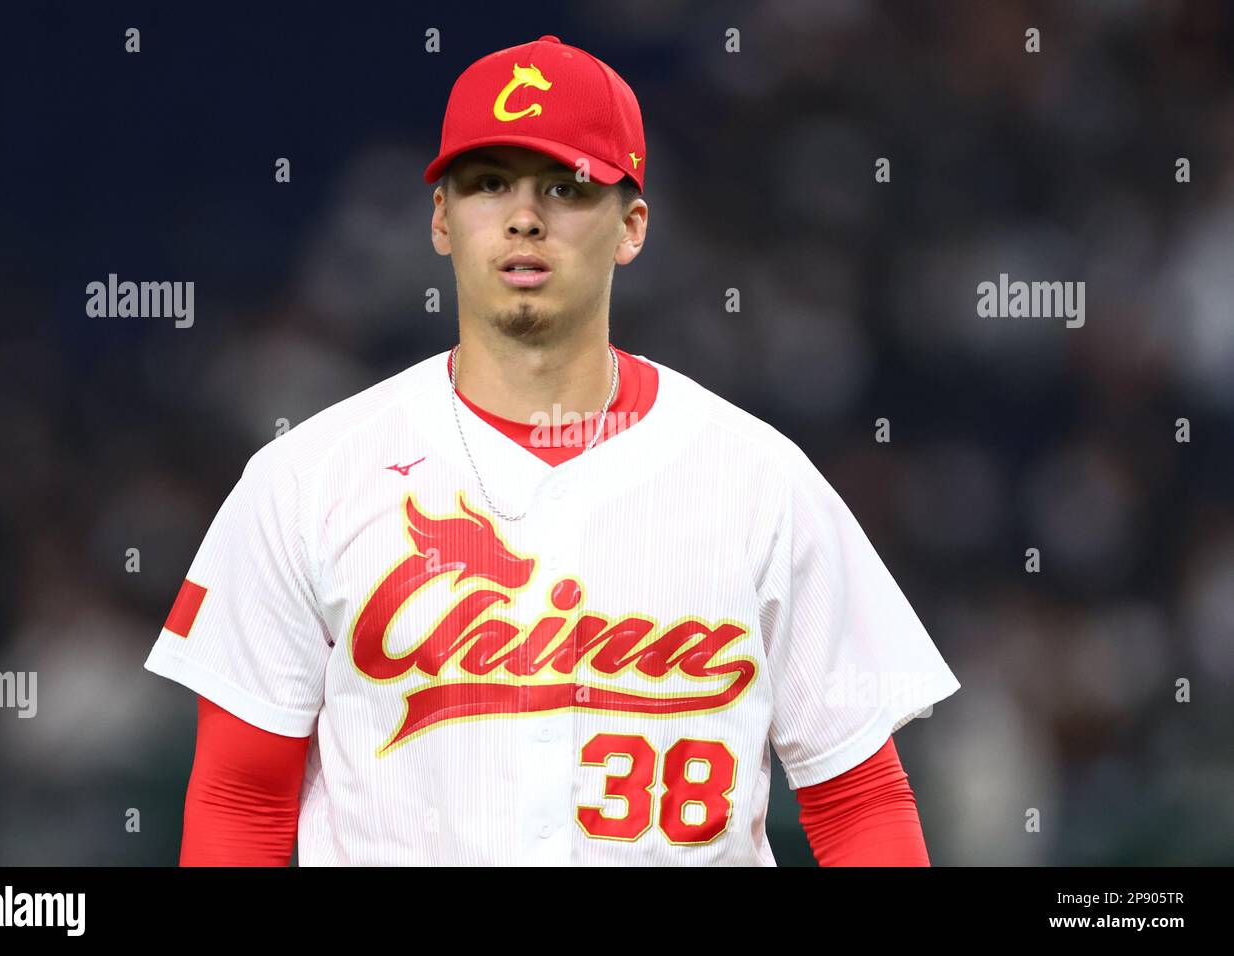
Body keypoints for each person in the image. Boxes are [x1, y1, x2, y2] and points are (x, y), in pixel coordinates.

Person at [145, 34, 960, 866]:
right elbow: (240, 801)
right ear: (440, 220)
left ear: (632, 226)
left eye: (566, 187)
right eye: (489, 183)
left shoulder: (761, 481)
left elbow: (859, 801)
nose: (524, 215)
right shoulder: (306, 479)